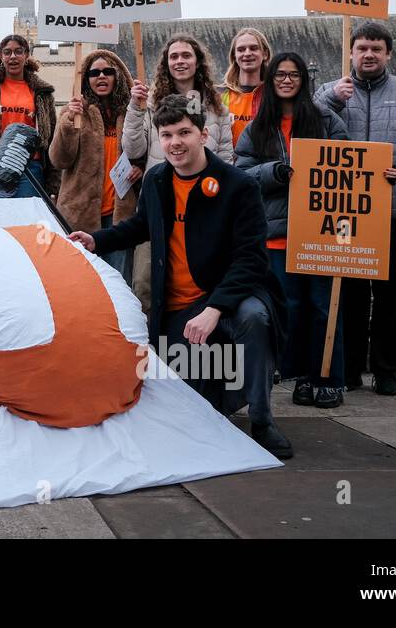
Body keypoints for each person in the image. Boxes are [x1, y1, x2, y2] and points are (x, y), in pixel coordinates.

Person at [70, 94, 293, 459]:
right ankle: (218, 399)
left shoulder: (238, 185)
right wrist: (96, 238)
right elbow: (142, 226)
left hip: (228, 296)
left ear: (203, 135)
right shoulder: (157, 180)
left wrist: (216, 308)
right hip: (179, 307)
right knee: (191, 411)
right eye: (168, 134)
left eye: (184, 133)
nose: (175, 143)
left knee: (255, 318)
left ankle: (263, 418)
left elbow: (251, 259)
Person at [313, 22, 396, 396]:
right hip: (347, 213)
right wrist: (329, 100)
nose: (368, 54)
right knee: (351, 297)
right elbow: (307, 130)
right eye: (361, 48)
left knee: (392, 296)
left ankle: (387, 370)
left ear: (388, 53)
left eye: (376, 48)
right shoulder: (331, 92)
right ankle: (352, 369)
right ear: (351, 53)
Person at [235, 52, 354, 408]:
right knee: (291, 309)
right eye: (280, 75)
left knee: (325, 307)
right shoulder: (257, 127)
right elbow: (242, 176)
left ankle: (329, 379)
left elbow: (351, 163)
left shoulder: (324, 119)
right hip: (278, 235)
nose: (287, 80)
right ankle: (302, 376)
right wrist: (276, 172)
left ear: (304, 80)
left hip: (321, 233)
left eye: (294, 75)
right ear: (270, 82)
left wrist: (383, 174)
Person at [123, 34, 234, 306]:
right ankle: (150, 347)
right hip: (160, 203)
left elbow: (225, 156)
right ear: (165, 63)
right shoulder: (149, 102)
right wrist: (135, 110)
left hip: (203, 204)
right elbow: (133, 149)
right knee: (145, 284)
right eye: (174, 56)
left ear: (198, 62)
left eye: (186, 55)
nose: (180, 61)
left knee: (199, 283)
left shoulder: (217, 107)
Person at [48, 49, 141, 285]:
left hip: (120, 215)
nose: (101, 77)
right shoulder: (76, 112)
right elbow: (59, 159)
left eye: (108, 72)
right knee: (83, 282)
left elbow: (144, 149)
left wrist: (139, 166)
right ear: (86, 78)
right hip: (82, 213)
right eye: (94, 73)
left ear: (117, 75)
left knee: (119, 283)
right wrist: (68, 121)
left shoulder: (131, 111)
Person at [0, 34, 59, 198]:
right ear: (1, 56)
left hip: (28, 168)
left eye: (18, 51)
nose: (13, 56)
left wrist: (54, 184)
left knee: (25, 222)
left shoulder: (42, 92)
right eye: (7, 52)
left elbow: (50, 138)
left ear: (26, 55)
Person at [221, 27, 273, 148]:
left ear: (265, 54)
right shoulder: (219, 95)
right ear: (234, 56)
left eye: (254, 48)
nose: (247, 53)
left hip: (264, 164)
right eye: (241, 49)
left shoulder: (275, 95)